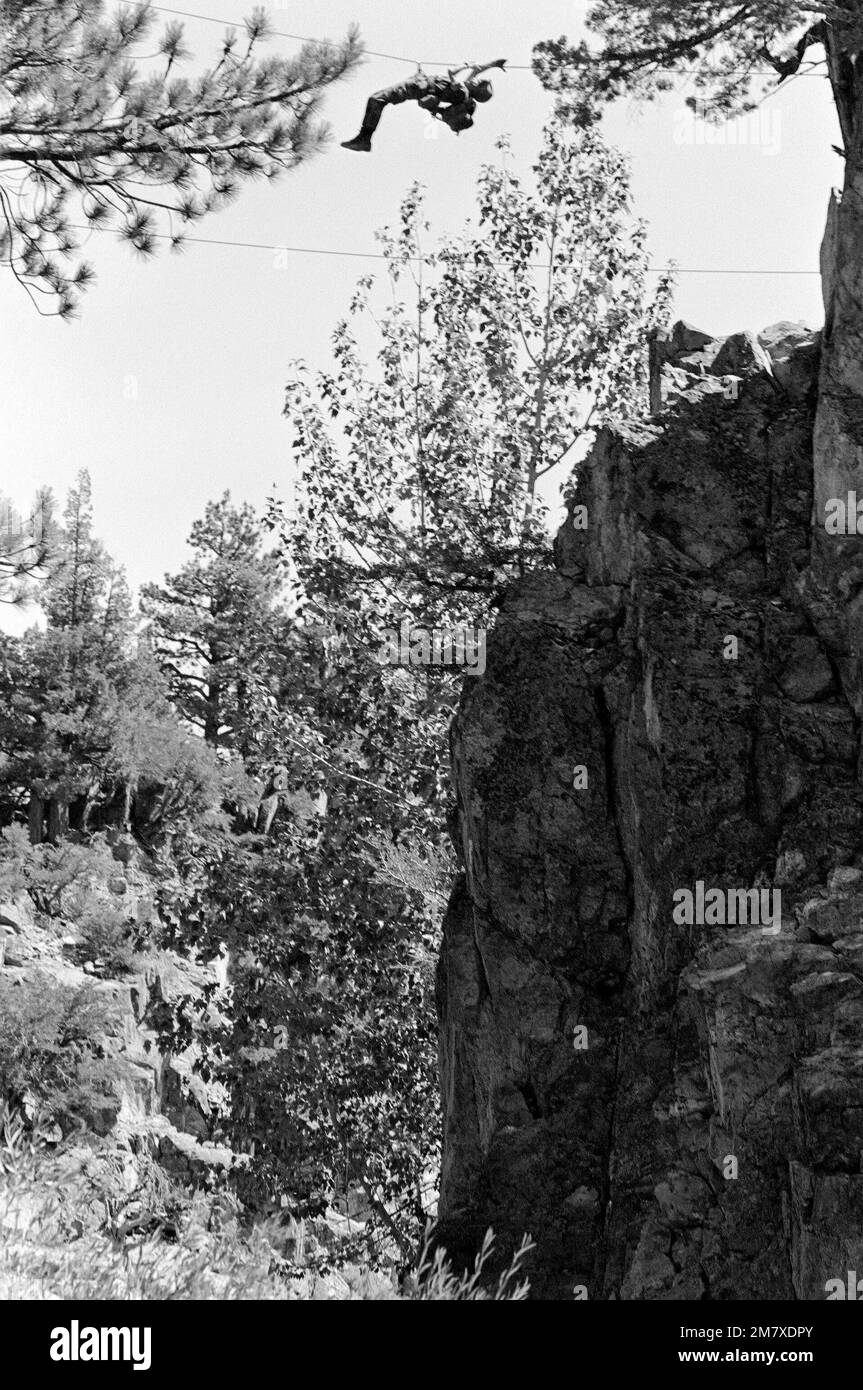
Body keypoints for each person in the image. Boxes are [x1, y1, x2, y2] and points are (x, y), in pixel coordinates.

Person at [341, 59, 506, 152]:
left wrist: (465, 65)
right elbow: (477, 71)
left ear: (476, 89)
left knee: (376, 99)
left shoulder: (462, 91)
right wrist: (494, 64)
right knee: (378, 99)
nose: (476, 79)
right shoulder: (464, 93)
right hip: (420, 87)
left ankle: (364, 139)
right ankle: (364, 138)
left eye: (479, 83)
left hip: (419, 87)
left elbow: (451, 71)